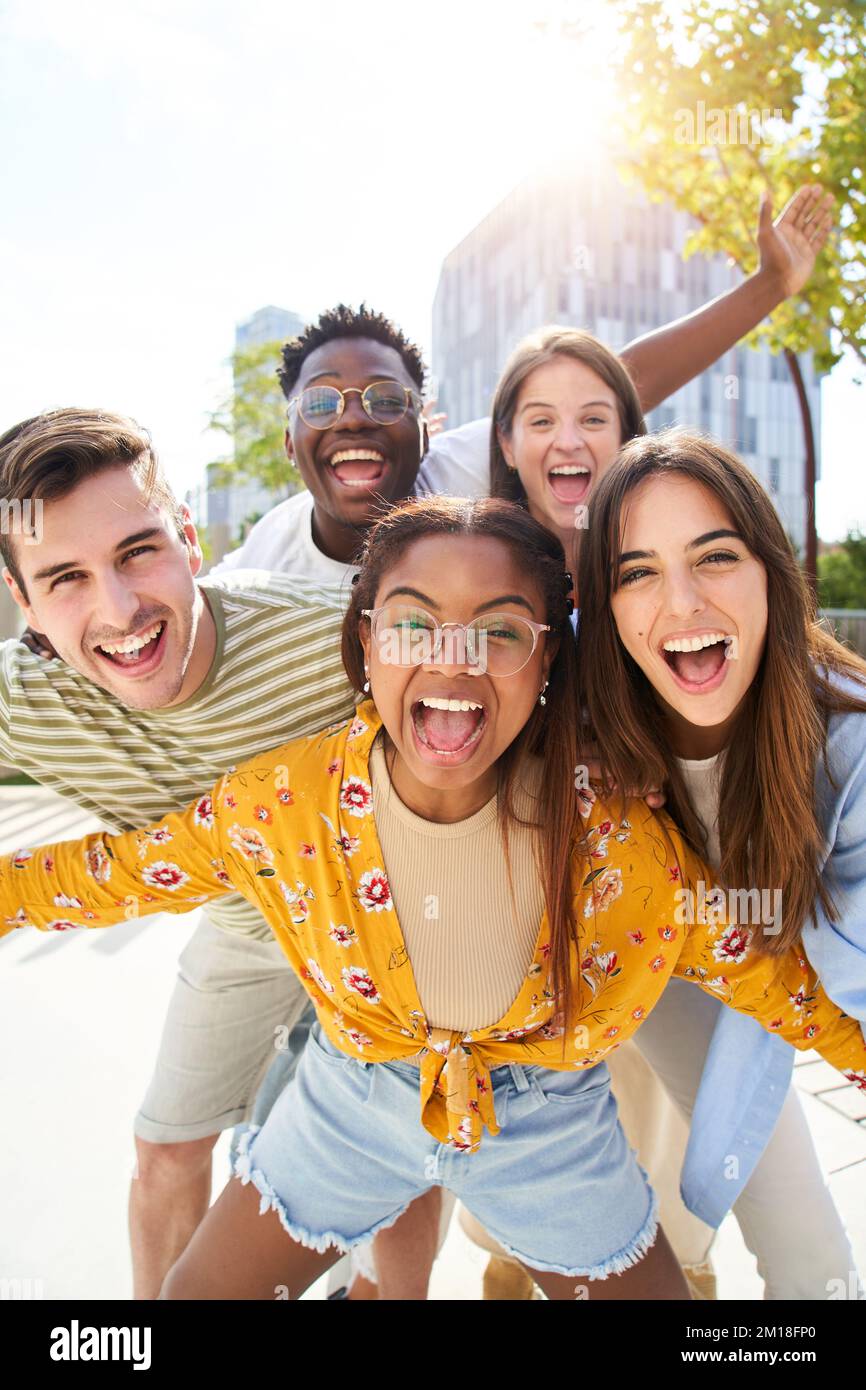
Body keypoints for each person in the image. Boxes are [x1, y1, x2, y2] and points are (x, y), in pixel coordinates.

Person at [2, 496, 862, 1302]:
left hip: (548, 1134)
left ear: (548, 658)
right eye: (415, 625)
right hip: (348, 1107)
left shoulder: (621, 846)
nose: (453, 658)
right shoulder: (282, 804)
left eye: (499, 631)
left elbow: (765, 977)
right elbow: (115, 871)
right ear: (367, 642)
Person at [576, 429, 866, 1298]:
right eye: (637, 572)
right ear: (607, 605)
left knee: (808, 1259)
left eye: (716, 556)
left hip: (753, 984)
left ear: (772, 571)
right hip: (600, 961)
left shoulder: (844, 746)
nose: (682, 601)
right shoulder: (571, 716)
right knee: (589, 1212)